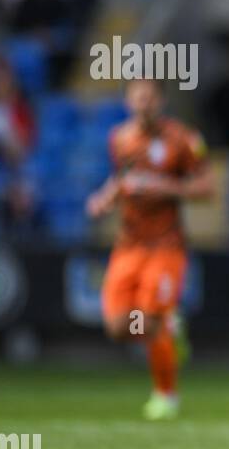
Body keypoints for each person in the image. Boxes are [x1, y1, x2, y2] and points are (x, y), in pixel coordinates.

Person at [86, 77, 213, 420]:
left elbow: (207, 187)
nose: (144, 103)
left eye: (150, 97)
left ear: (161, 101)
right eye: (138, 97)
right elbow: (122, 178)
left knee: (151, 315)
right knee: (117, 326)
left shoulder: (183, 139)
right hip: (128, 245)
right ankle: (171, 330)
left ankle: (166, 394)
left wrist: (166, 187)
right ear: (128, 101)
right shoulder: (119, 138)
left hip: (166, 245)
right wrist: (104, 199)